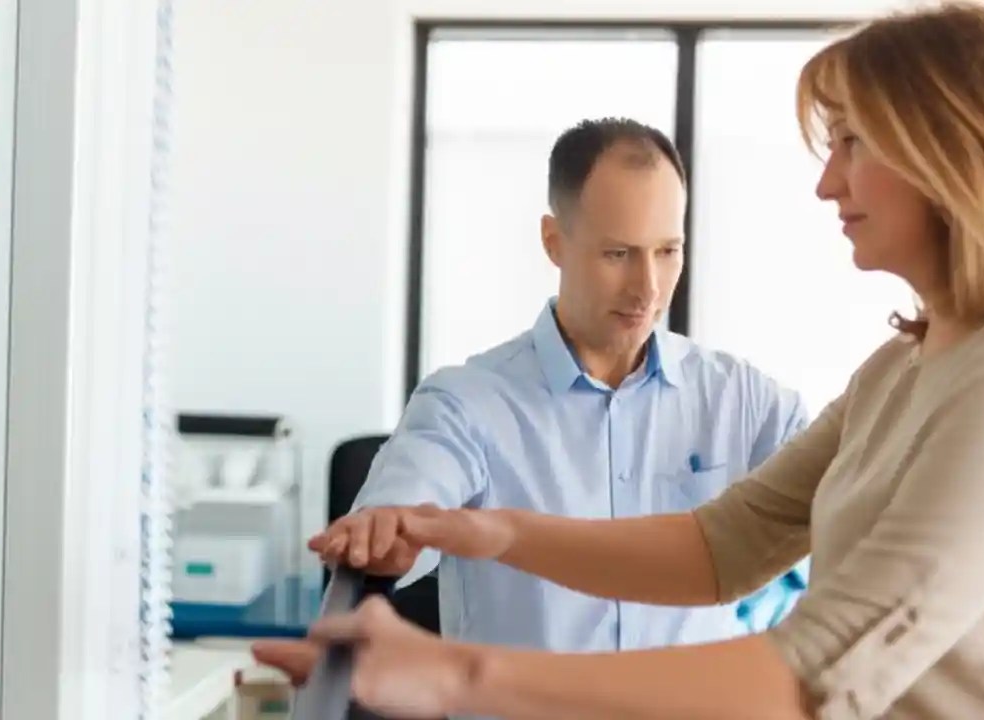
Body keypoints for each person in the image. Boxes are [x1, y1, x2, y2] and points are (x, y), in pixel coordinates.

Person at [254, 4, 984, 718]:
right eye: (616, 251)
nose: (826, 182)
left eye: (851, 144)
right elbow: (723, 543)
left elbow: (820, 673)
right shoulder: (910, 362)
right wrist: (496, 533)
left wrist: (457, 674)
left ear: (948, 152)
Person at [311, 118, 809, 658]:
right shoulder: (467, 404)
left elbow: (850, 509)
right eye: (618, 254)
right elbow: (405, 507)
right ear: (554, 241)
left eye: (667, 251)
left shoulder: (747, 402)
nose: (648, 288)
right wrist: (387, 532)